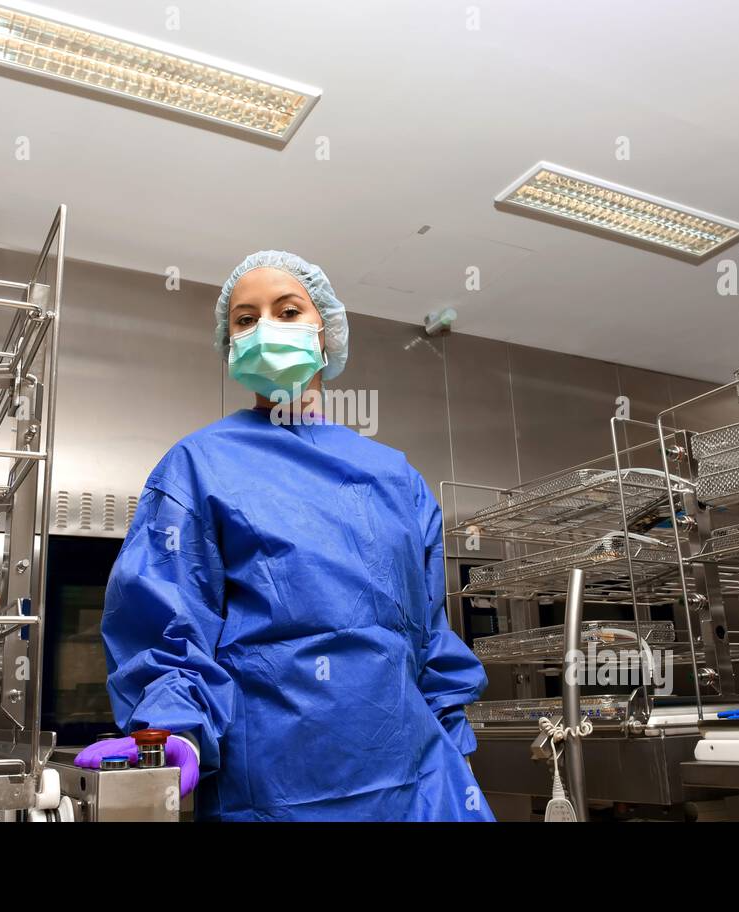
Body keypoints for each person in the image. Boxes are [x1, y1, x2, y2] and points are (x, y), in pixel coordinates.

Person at [75, 250, 494, 821]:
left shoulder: (399, 478)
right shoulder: (199, 467)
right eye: (245, 319)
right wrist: (173, 731)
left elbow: (426, 641)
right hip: (275, 792)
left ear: (326, 332)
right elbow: (166, 625)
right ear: (230, 345)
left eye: (287, 309)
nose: (265, 327)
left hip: (422, 786)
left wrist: (458, 758)